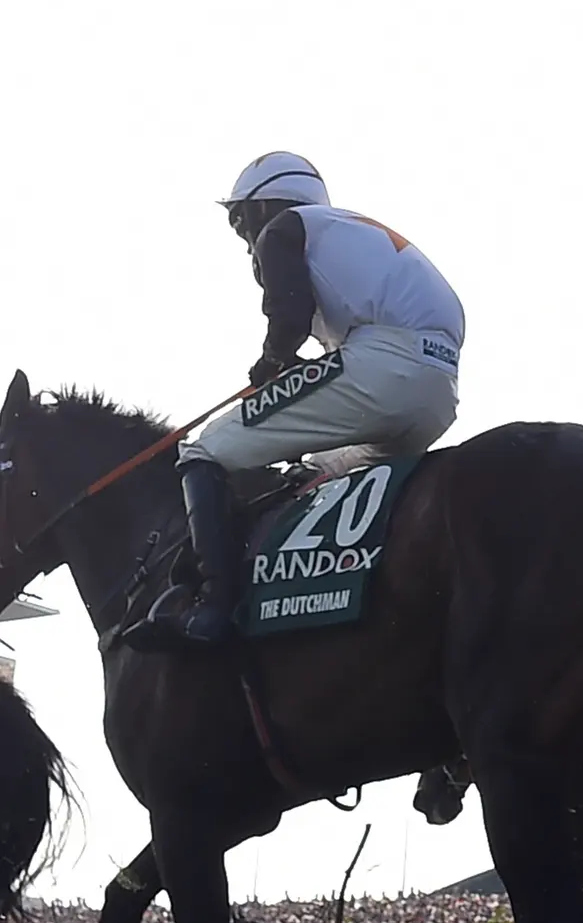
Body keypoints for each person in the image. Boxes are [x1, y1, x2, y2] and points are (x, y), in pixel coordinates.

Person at [126, 152, 465, 650]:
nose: (245, 242)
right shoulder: (349, 232)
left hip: (384, 367)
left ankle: (214, 608)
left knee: (204, 449)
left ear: (264, 206)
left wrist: (271, 362)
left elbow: (288, 313)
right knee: (316, 471)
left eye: (240, 221)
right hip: (439, 392)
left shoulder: (283, 229)